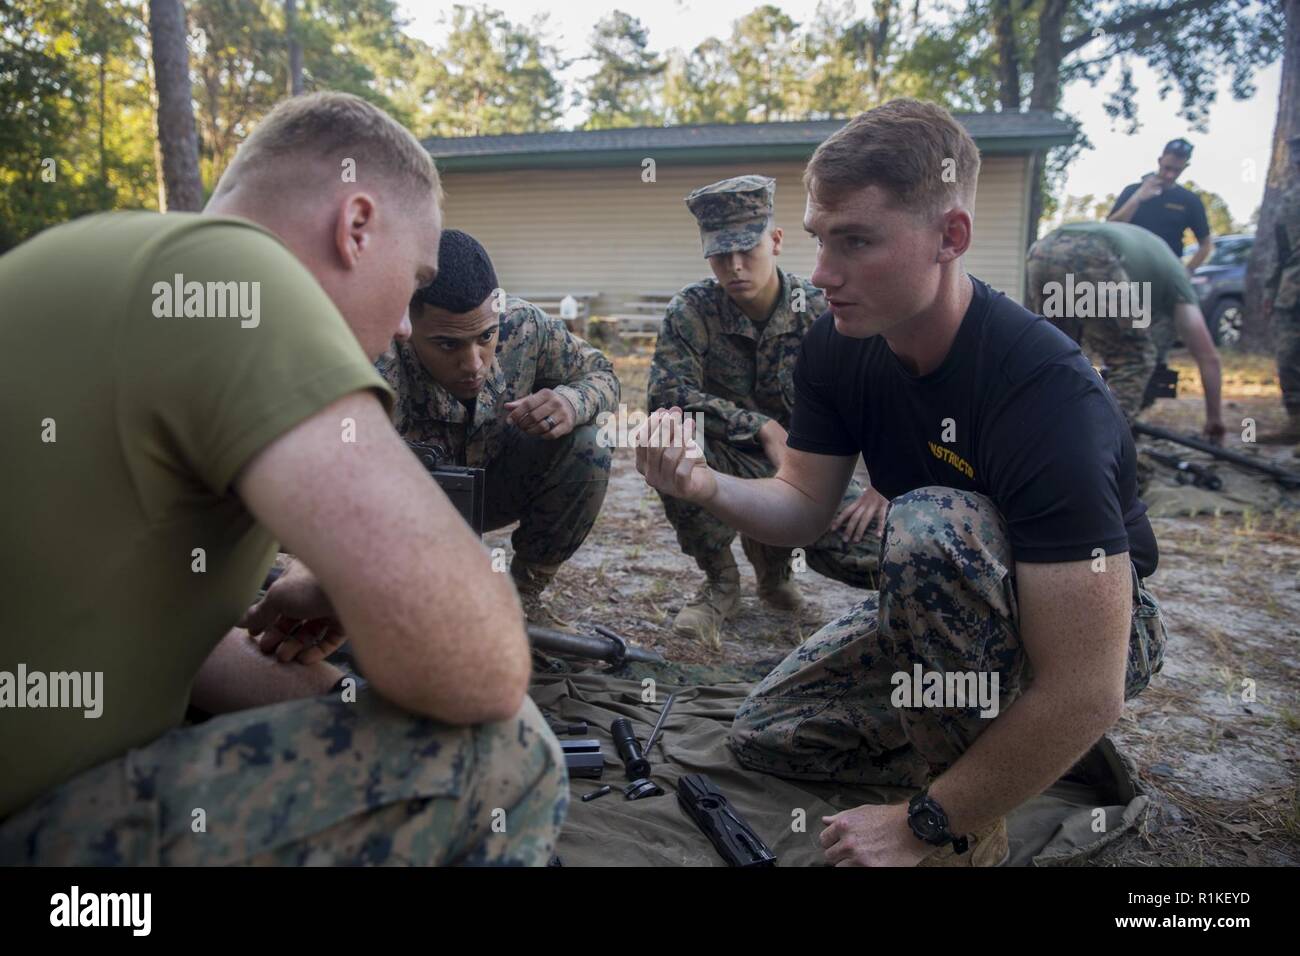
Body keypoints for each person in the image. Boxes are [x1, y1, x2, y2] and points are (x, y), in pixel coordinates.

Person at [0, 92, 566, 866]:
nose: (406, 324)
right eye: (416, 276)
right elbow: (483, 670)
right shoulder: (238, 278)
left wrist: (339, 665)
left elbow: (167, 651)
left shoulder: (96, 263)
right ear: (356, 225)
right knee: (506, 758)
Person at [636, 99, 1167, 867]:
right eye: (820, 240)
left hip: (1096, 633)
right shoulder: (841, 344)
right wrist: (705, 487)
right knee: (767, 734)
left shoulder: (1047, 393)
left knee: (926, 525)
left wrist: (926, 821)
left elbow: (1090, 686)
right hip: (955, 607)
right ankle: (1013, 740)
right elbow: (802, 507)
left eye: (856, 241)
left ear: (950, 238)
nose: (822, 274)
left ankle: (969, 829)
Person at [648, 175, 886, 645]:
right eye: (720, 254)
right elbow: (666, 394)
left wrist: (884, 479)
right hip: (728, 457)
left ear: (775, 242)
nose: (734, 266)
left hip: (811, 470)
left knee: (878, 552)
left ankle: (775, 576)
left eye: (747, 250)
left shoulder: (821, 309)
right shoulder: (692, 310)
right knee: (673, 441)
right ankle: (720, 582)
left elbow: (882, 391)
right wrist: (758, 427)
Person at [377, 229, 620, 624]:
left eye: (485, 337)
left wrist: (571, 403)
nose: (473, 364)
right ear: (407, 322)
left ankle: (525, 597)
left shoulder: (524, 326)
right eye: (447, 344)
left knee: (588, 444)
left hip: (493, 485)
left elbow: (603, 375)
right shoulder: (376, 357)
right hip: (406, 507)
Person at [1026, 219, 1224, 444]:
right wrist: (1214, 419)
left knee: (1058, 353)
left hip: (1043, 249)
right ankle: (1098, 446)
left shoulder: (1150, 258)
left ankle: (1041, 434)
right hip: (1093, 252)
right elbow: (1208, 357)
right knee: (1134, 358)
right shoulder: (1178, 281)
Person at [1108, 137, 1214, 270]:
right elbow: (1110, 229)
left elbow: (1205, 244)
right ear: (1160, 161)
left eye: (1177, 170)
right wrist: (1137, 198)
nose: (1170, 175)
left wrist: (1186, 273)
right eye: (1167, 168)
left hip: (1167, 271)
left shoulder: (1190, 200)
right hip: (1129, 269)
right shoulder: (1132, 191)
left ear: (1185, 167)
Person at [1257, 132, 1300, 446]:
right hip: (1292, 289)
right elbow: (1281, 250)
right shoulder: (1290, 199)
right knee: (1288, 356)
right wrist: (1270, 291)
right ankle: (1296, 422)